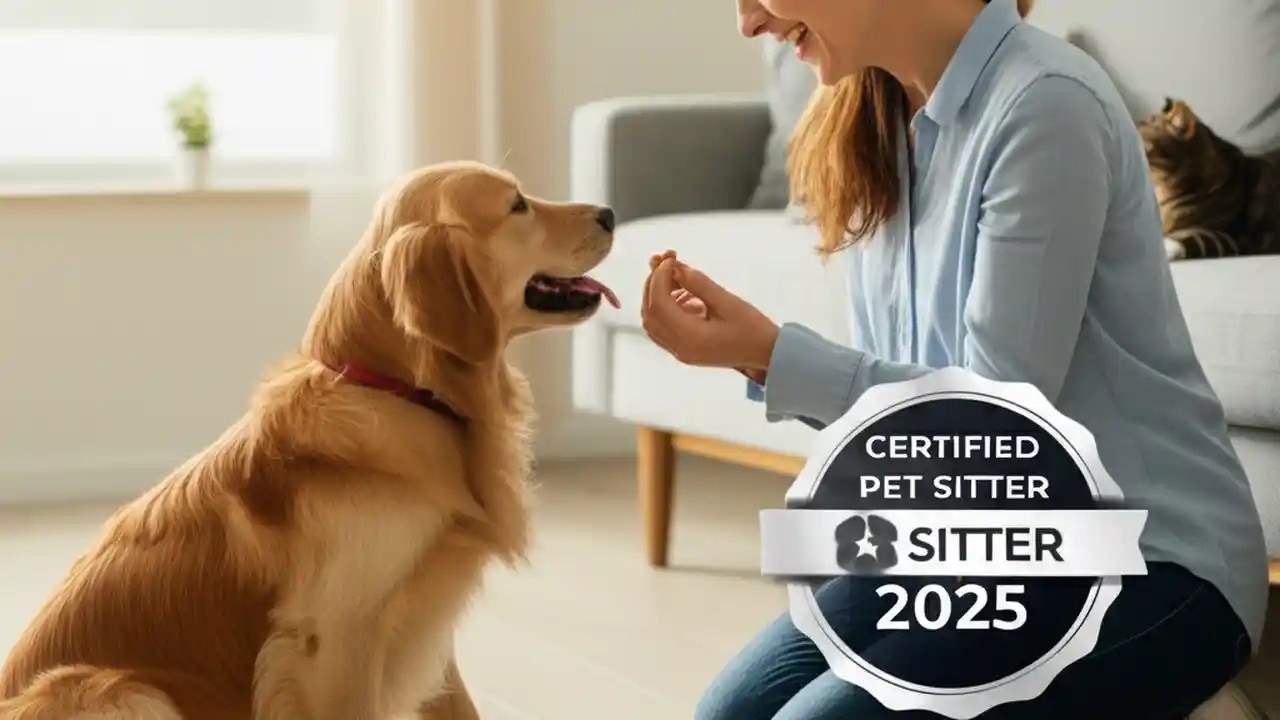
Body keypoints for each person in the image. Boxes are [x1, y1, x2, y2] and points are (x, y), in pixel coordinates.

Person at [639, 0, 1269, 717]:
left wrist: (771, 353)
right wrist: (756, 359)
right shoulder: (868, 121)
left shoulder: (1044, 106)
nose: (749, 22)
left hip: (1150, 563)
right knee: (728, 713)